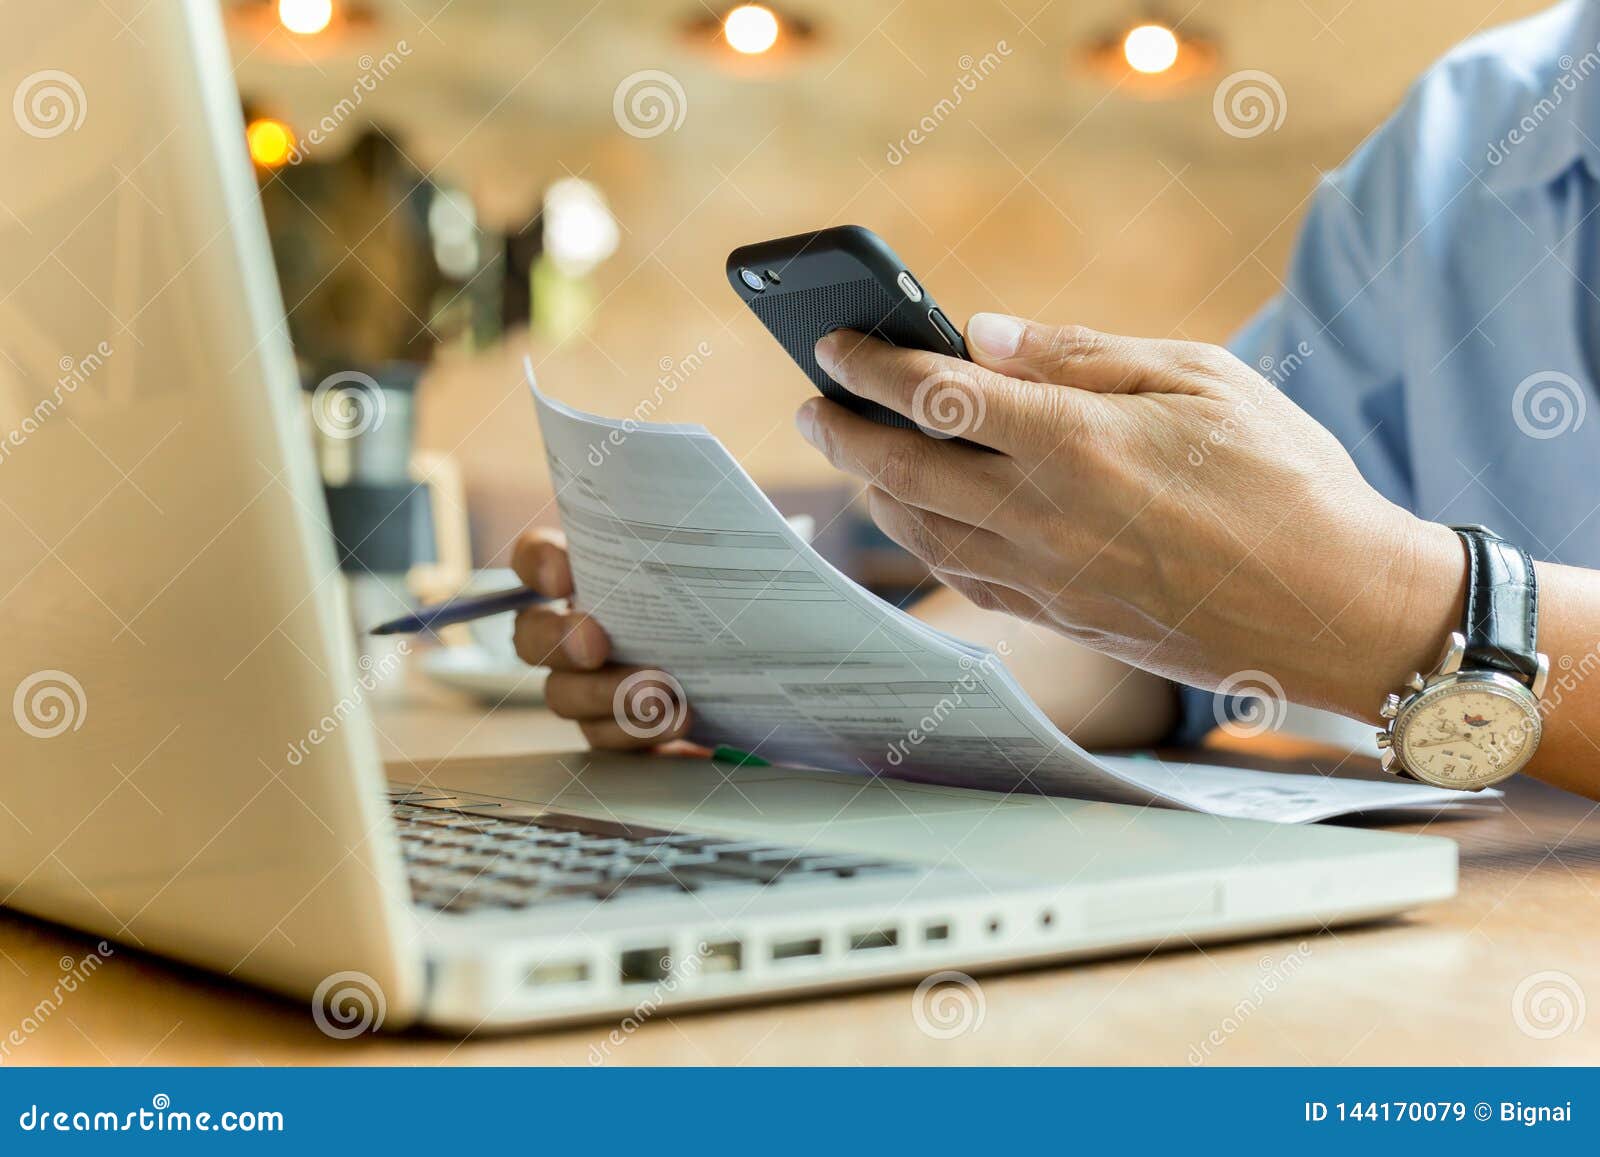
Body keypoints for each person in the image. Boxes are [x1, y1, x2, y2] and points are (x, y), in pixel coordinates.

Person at [512, 0, 1600, 800]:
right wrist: (814, 682)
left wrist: (1401, 611)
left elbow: (1321, 589)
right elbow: (1162, 608)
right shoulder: (1465, 134)